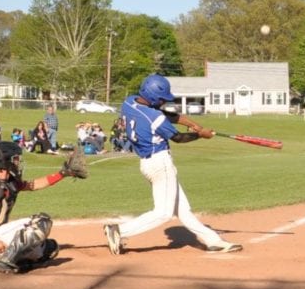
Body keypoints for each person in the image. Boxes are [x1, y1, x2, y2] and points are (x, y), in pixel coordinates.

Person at [103, 74, 242, 255]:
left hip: (148, 163)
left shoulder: (129, 103)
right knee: (164, 213)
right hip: (160, 164)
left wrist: (194, 125)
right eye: (161, 99)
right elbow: (178, 137)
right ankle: (119, 230)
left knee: (183, 210)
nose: (162, 102)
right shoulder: (155, 117)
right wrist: (200, 135)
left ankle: (213, 241)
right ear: (153, 96)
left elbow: (166, 115)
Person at [0, 141, 87, 273]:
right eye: (16, 158)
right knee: (41, 222)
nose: (18, 162)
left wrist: (63, 173)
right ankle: (3, 261)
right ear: (5, 160)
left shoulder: (8, 181)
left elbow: (33, 185)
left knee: (49, 247)